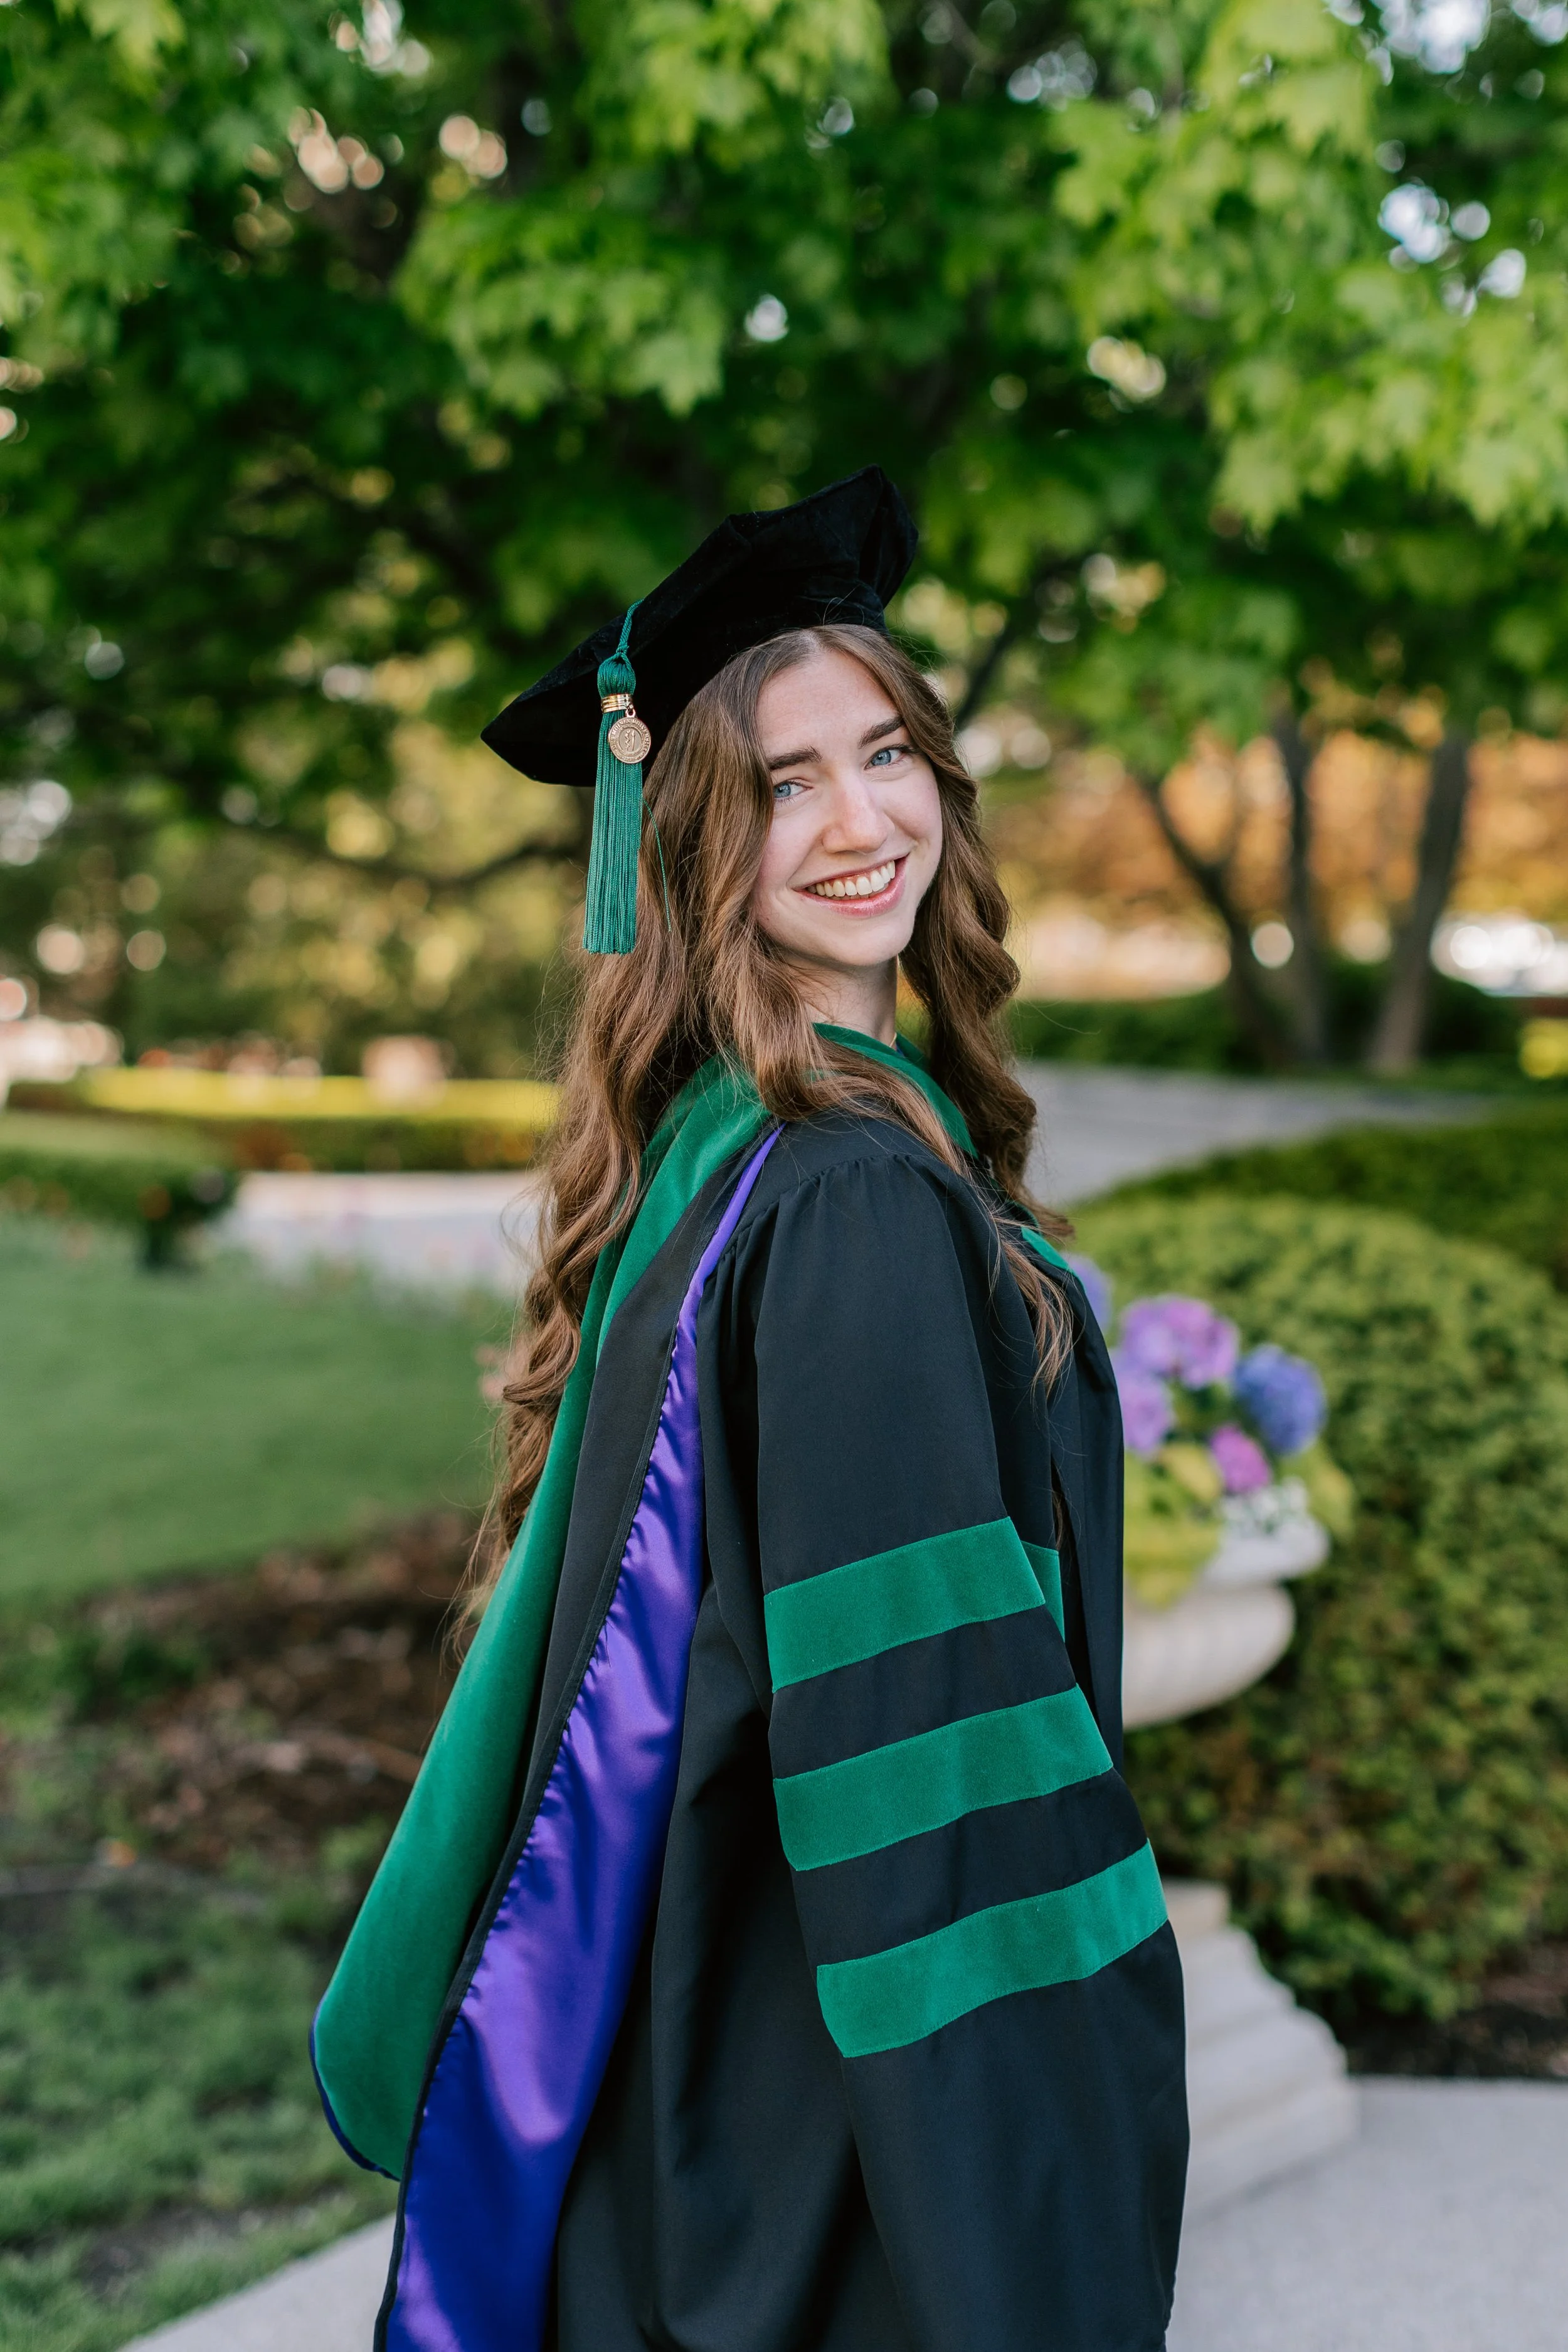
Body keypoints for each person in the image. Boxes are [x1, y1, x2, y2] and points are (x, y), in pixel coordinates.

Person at [312, 469, 1187, 2352]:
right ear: (696, 837)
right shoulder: (853, 1187)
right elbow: (922, 1759)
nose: (865, 821)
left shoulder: (741, 1133)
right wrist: (1034, 2150)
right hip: (836, 2111)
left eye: (889, 752)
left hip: (721, 2034)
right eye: (786, 782)